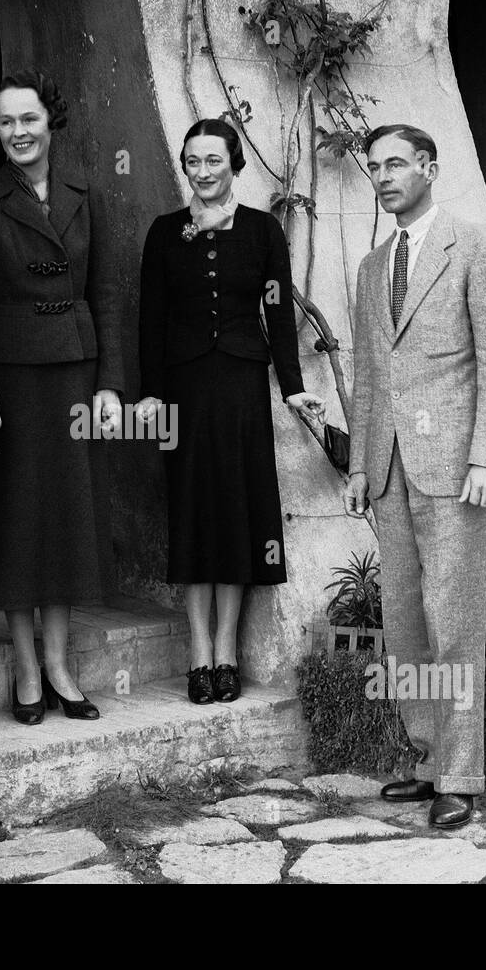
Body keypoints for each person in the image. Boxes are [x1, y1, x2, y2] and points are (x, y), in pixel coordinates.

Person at [343, 123, 486, 829]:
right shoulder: (370, 266)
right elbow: (369, 378)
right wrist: (361, 463)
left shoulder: (479, 247)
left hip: (456, 471)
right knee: (406, 628)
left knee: (453, 625)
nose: (384, 175)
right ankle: (425, 761)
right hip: (390, 472)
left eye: (396, 163)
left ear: (429, 167)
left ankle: (459, 776)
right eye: (376, 166)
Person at [0, 70, 123, 724]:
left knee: (69, 521)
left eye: (29, 119)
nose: (18, 132)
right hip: (11, 383)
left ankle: (58, 663)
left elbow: (106, 294)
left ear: (51, 122)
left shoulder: (86, 194)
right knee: (16, 520)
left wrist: (110, 386)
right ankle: (25, 665)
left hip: (75, 375)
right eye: (6, 122)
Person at [138, 118, 324, 705]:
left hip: (244, 383)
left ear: (234, 164)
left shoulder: (264, 231)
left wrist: (292, 387)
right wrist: (148, 392)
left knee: (238, 512)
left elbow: (277, 315)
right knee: (195, 511)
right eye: (193, 160)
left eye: (213, 159)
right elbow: (150, 320)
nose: (203, 169)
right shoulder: (165, 233)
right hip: (186, 389)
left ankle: (227, 651)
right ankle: (199, 653)